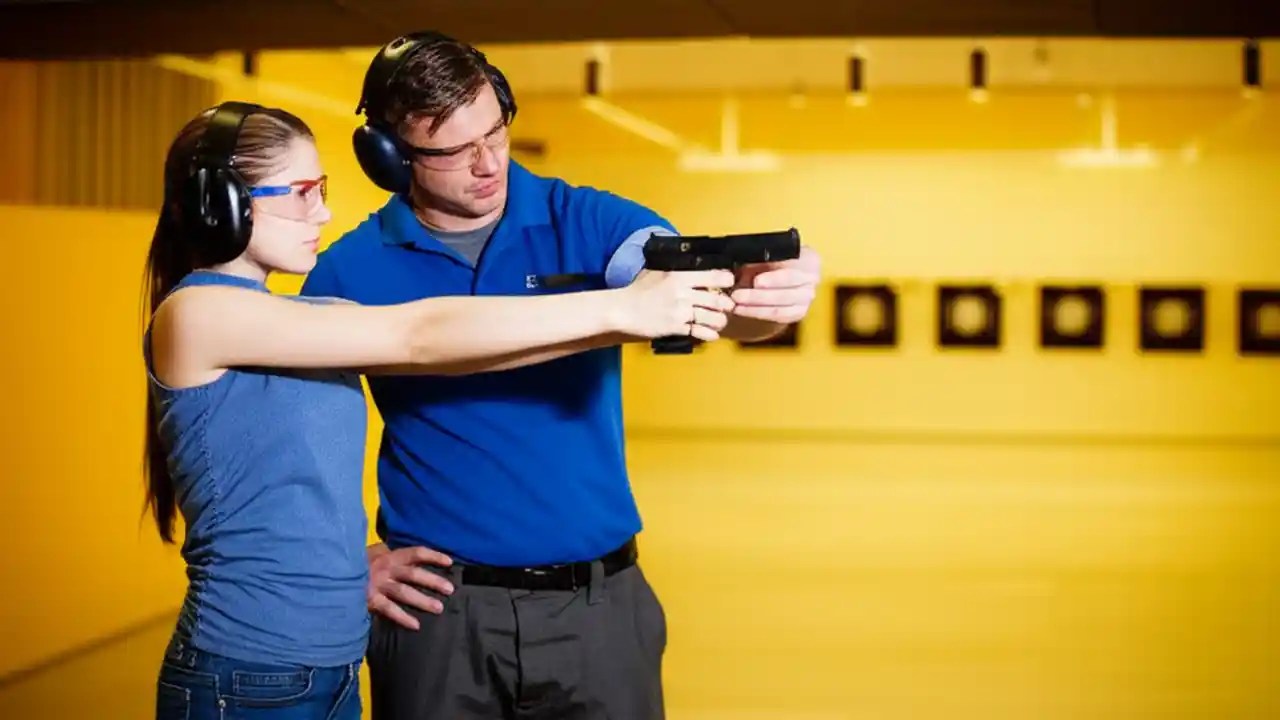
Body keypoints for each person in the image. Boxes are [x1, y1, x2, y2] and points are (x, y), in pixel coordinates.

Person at [141, 100, 737, 720]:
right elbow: (419, 333)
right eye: (300, 193)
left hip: (331, 665)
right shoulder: (198, 315)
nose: (323, 211)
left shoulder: (306, 319)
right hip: (247, 670)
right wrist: (622, 310)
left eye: (323, 189)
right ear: (224, 205)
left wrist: (355, 566)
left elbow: (465, 349)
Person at [298, 31, 822, 719]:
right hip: (438, 618)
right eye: (454, 151)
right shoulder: (346, 272)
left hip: (599, 610)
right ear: (391, 159)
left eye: (497, 132)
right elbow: (289, 445)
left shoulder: (586, 217)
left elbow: (674, 283)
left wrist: (761, 304)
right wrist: (343, 560)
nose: (488, 164)